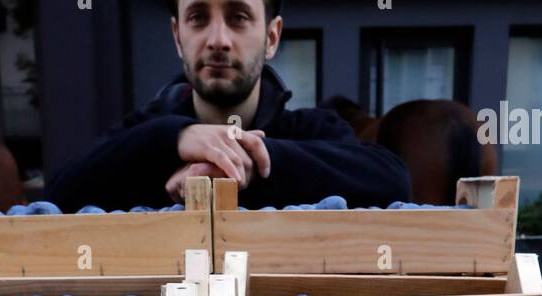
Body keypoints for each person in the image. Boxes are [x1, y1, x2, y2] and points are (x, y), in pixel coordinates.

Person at [46, 0, 411, 211]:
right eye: (198, 17)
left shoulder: (312, 131)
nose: (218, 40)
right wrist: (171, 139)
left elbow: (393, 181)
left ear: (271, 37)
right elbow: (58, 194)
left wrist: (251, 163)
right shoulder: (139, 137)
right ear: (177, 36)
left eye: (238, 17)